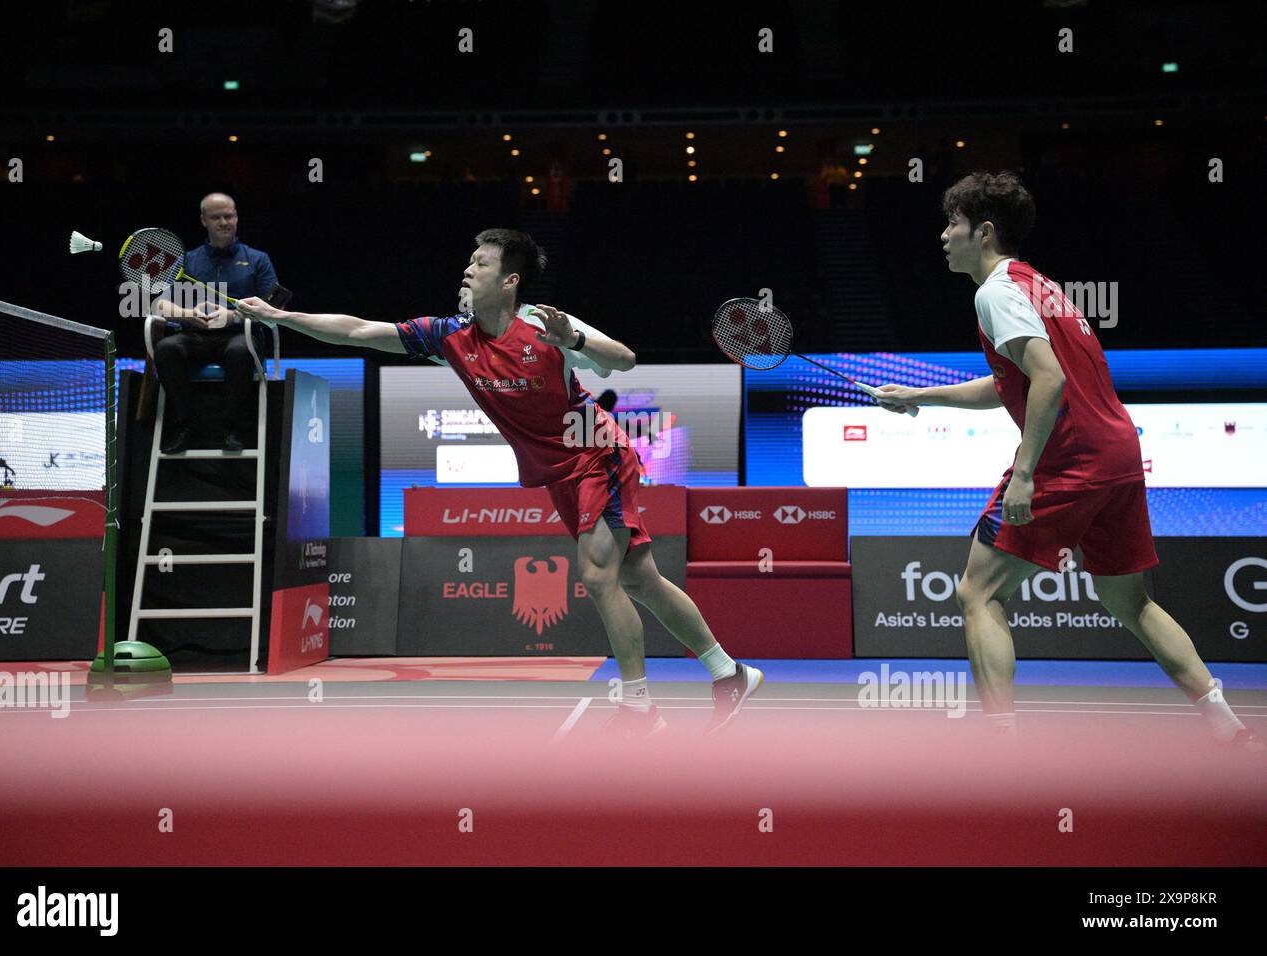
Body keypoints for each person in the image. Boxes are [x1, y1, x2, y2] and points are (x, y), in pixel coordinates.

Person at [237, 228, 762, 737]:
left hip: (598, 456)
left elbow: (623, 359)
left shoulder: (543, 325)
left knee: (600, 578)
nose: (467, 270)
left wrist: (573, 338)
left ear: (509, 280)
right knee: (639, 580)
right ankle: (729, 674)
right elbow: (356, 330)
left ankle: (640, 707)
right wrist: (281, 317)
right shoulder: (450, 336)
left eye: (480, 263)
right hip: (559, 474)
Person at [876, 170, 1260, 751]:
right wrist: (919, 397)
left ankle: (999, 744)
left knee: (977, 594)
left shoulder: (995, 292)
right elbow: (1014, 379)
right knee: (1130, 601)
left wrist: (1025, 474)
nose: (943, 236)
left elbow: (1049, 380)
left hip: (1069, 457)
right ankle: (1224, 722)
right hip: (1118, 454)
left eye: (952, 224)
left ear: (983, 232)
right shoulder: (1037, 285)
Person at [152, 192, 280, 453]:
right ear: (203, 221)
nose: (224, 222)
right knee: (166, 349)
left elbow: (273, 308)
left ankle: (232, 429)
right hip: (195, 336)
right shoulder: (186, 261)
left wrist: (232, 316)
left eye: (229, 215)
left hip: (239, 335)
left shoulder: (257, 260)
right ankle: (185, 426)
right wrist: (188, 315)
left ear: (237, 217)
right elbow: (159, 305)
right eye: (216, 217)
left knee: (240, 351)